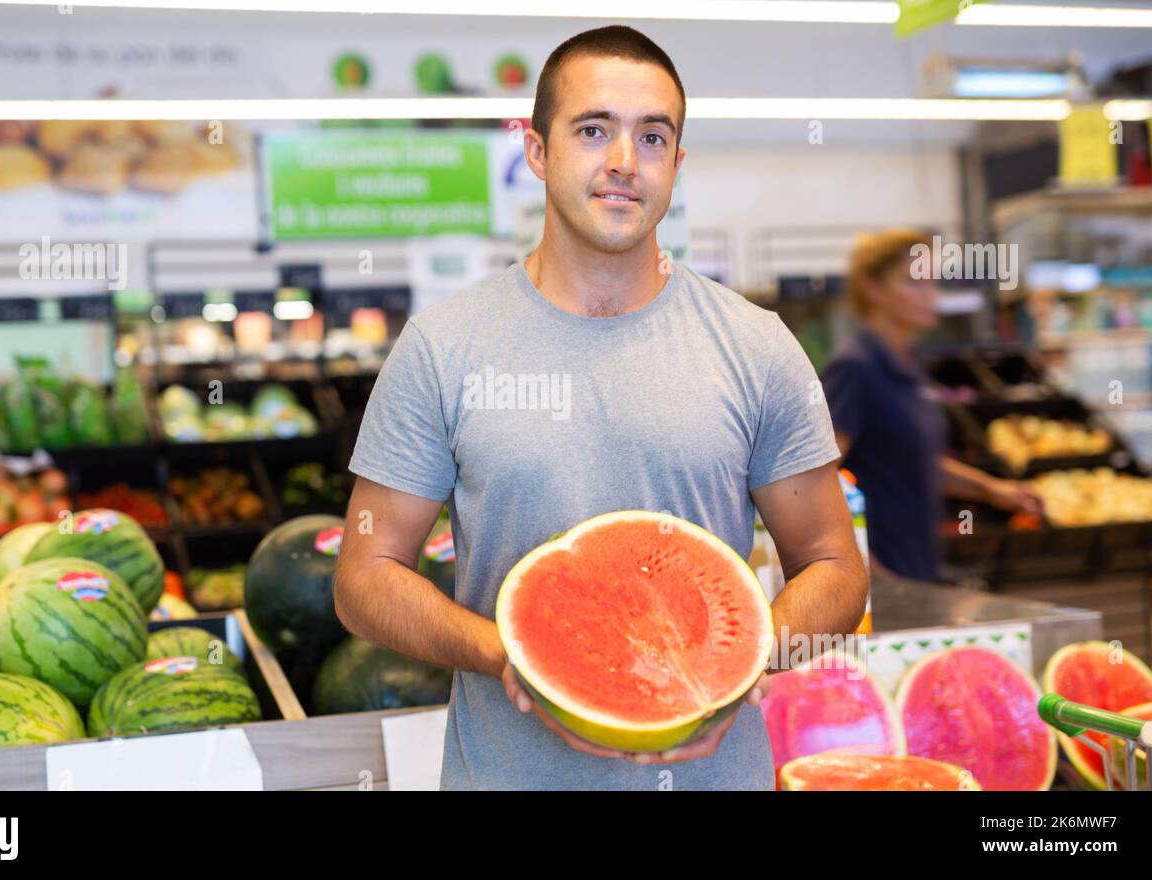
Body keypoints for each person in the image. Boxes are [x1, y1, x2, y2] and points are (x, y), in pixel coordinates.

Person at [334, 25, 868, 791]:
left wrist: (743, 658)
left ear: (676, 165)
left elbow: (833, 564)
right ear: (537, 150)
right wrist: (507, 654)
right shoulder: (442, 348)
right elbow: (364, 573)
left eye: (653, 137)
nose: (624, 161)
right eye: (593, 130)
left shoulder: (757, 347)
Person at [821, 229, 1044, 583]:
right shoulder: (856, 367)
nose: (930, 296)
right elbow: (820, 475)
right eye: (914, 282)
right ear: (873, 288)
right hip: (881, 578)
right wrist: (862, 565)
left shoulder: (907, 364)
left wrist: (993, 490)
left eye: (932, 282)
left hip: (916, 567)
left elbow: (915, 459)